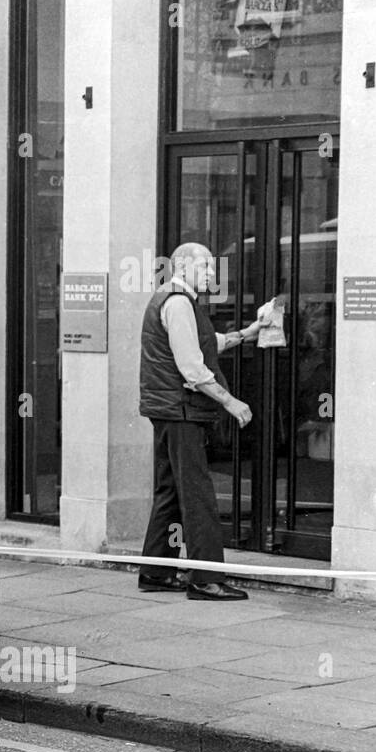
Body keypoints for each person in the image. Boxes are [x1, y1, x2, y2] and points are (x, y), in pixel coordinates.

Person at [137, 243, 262, 601]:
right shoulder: (178, 302)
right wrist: (231, 401)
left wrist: (246, 334)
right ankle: (205, 578)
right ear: (183, 266)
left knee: (170, 491)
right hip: (182, 411)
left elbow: (205, 343)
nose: (211, 273)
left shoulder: (173, 299)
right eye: (205, 266)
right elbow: (192, 368)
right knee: (197, 495)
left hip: (168, 411)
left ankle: (156, 572)